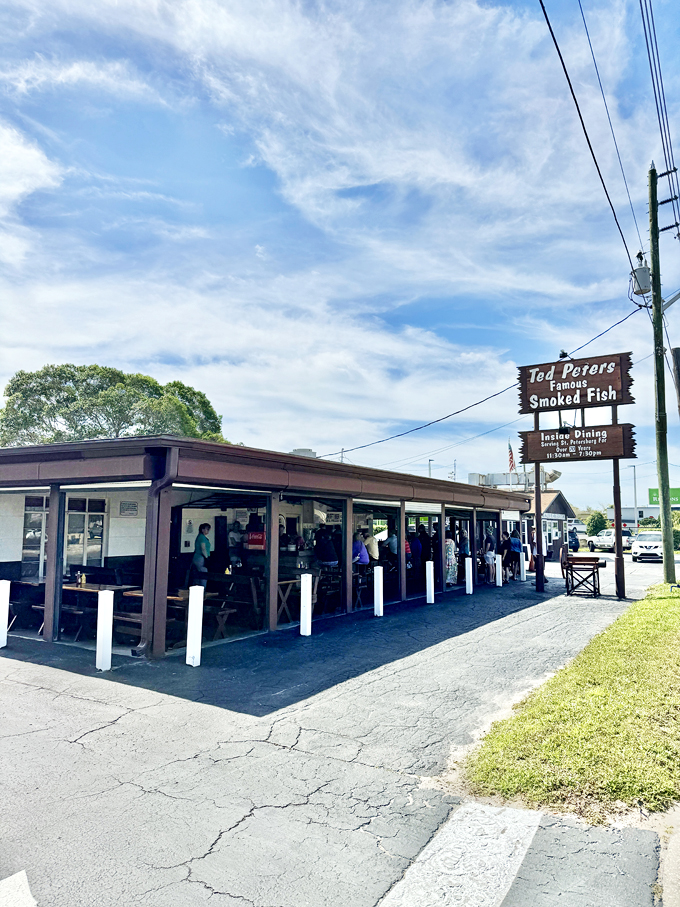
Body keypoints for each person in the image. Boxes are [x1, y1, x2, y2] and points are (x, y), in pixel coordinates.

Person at [192, 522, 211, 587]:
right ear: (202, 530)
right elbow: (203, 548)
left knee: (197, 575)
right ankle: (203, 588)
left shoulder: (200, 537)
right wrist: (206, 558)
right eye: (206, 529)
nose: (208, 531)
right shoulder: (202, 537)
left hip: (197, 557)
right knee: (203, 573)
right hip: (201, 558)